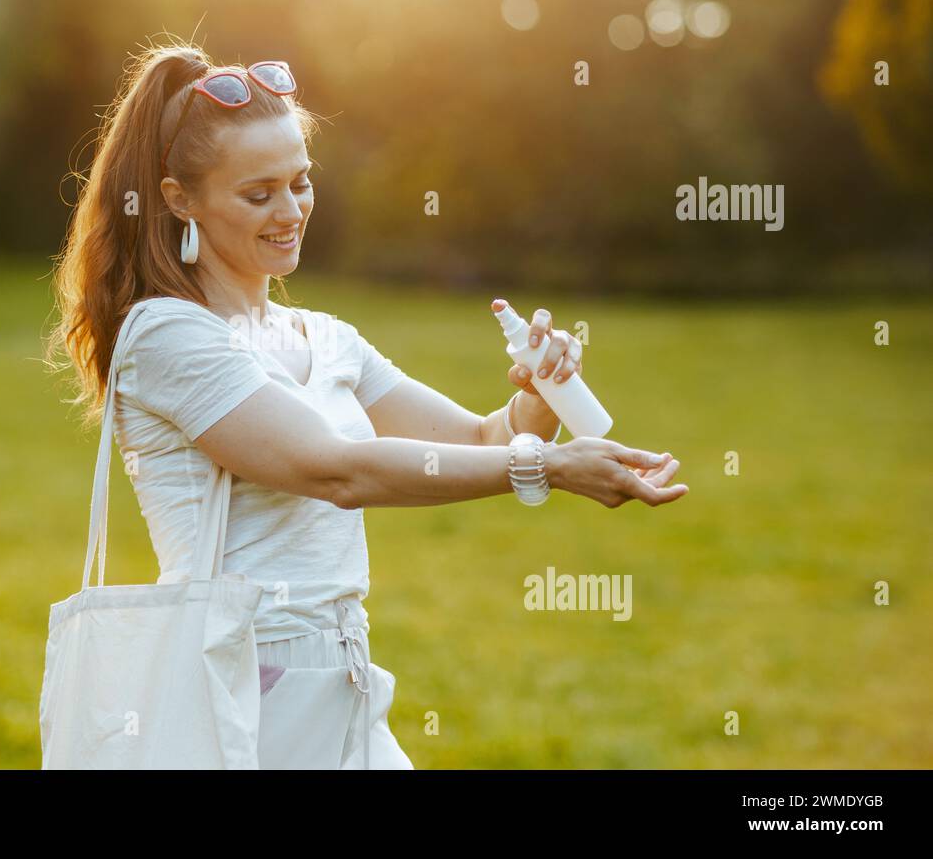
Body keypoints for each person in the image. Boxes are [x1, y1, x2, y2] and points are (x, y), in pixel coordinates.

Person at [45, 39, 688, 769]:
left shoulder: (326, 338)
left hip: (340, 675)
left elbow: (483, 437)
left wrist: (537, 398)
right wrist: (548, 467)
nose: (290, 211)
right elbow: (335, 471)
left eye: (300, 182)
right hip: (241, 688)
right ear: (178, 199)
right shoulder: (166, 336)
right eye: (258, 194)